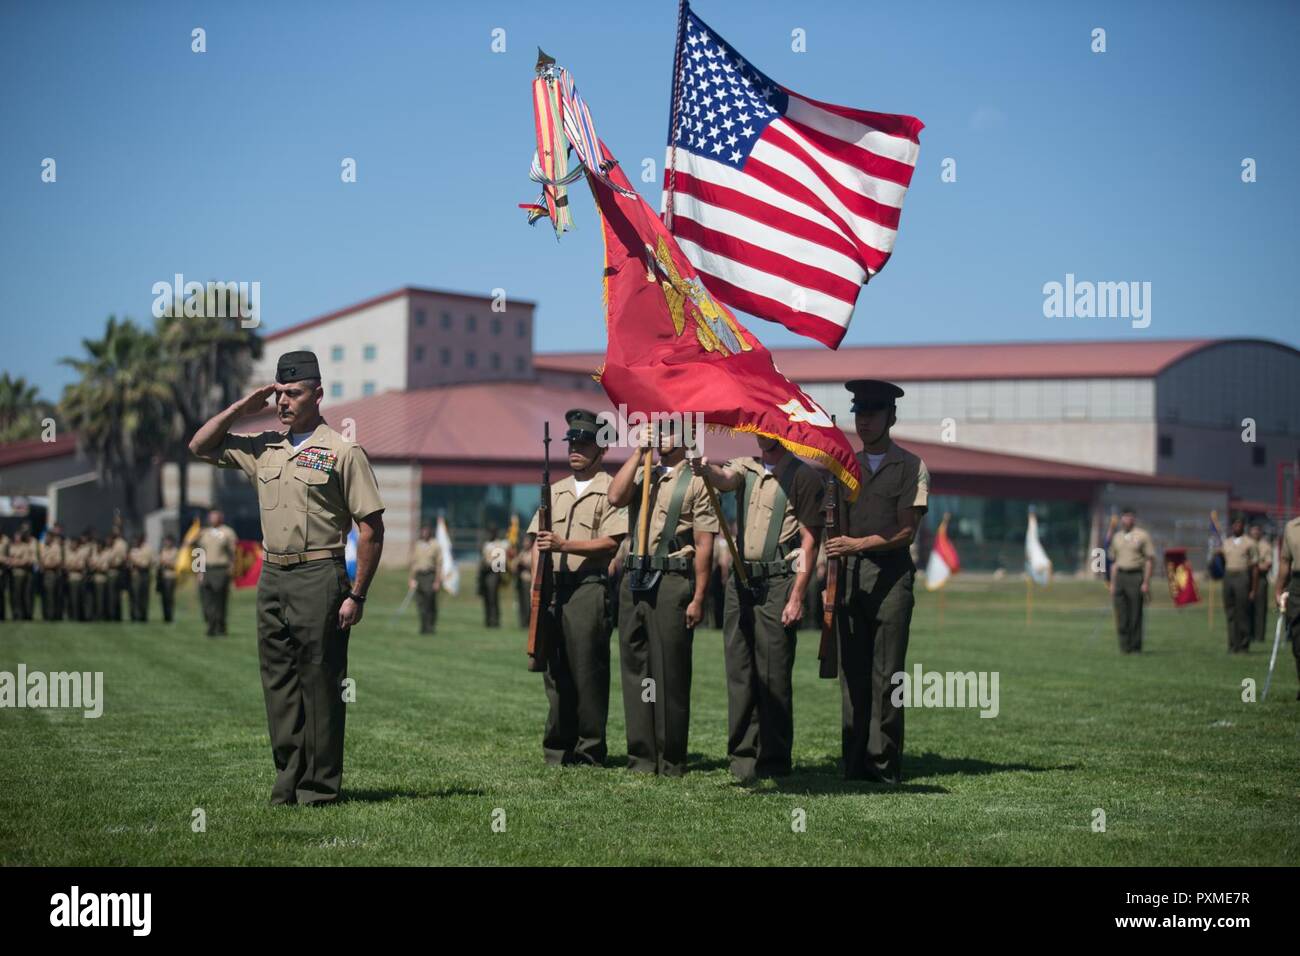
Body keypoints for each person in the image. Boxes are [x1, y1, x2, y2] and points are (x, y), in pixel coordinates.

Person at [190, 350, 385, 805]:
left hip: (321, 573)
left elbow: (371, 528)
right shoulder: (263, 448)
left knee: (320, 683)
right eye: (278, 394)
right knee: (278, 684)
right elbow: (199, 446)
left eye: (293, 393)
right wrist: (244, 406)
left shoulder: (342, 451)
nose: (283, 402)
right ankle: (288, 782)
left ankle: (319, 788)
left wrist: (358, 594)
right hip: (272, 576)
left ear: (317, 395)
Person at [691, 435, 824, 780]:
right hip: (740, 580)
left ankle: (775, 761)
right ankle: (742, 759)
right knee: (739, 669)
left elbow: (811, 540)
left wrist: (797, 596)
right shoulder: (745, 466)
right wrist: (706, 469)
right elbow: (724, 480)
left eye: (769, 427)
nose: (762, 434)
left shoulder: (804, 477)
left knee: (774, 672)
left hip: (779, 579)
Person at [825, 380, 929, 784]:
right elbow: (834, 526)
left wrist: (856, 543)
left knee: (888, 676)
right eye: (859, 413)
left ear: (891, 417)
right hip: (850, 576)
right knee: (853, 675)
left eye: (872, 414)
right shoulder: (843, 466)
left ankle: (883, 763)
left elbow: (906, 532)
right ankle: (853, 764)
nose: (864, 421)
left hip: (891, 577)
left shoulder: (911, 466)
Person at [607, 419, 717, 776]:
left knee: (669, 671)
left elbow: (704, 545)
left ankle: (671, 759)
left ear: (686, 436)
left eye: (669, 431)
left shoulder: (698, 480)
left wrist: (699, 596)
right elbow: (614, 496)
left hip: (671, 580)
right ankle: (641, 756)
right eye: (658, 430)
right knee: (636, 667)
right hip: (634, 578)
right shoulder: (644, 473)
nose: (661, 437)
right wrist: (639, 453)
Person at [527, 408, 628, 766]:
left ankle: (590, 749)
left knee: (589, 670)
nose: (575, 449)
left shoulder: (611, 490)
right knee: (556, 673)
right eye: (572, 441)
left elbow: (610, 544)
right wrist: (535, 588)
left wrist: (563, 546)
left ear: (601, 450)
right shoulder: (554, 491)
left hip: (588, 588)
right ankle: (558, 748)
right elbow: (533, 544)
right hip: (555, 588)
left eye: (584, 443)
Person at [1107, 506, 1154, 654]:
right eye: (1125, 517)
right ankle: (1124, 647)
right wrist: (1112, 584)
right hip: (1120, 576)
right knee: (1121, 614)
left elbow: (1149, 560)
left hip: (1135, 576)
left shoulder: (1142, 536)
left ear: (1134, 519)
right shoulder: (1117, 537)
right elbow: (1113, 562)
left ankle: (1135, 647)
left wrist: (1146, 582)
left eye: (1130, 517)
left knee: (1135, 614)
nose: (1127, 519)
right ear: (1121, 519)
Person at [1216, 515, 1257, 653]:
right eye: (1234, 524)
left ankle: (1244, 645)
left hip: (1242, 576)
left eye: (1239, 524)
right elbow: (1220, 561)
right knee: (1230, 612)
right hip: (1229, 576)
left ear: (1243, 526)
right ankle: (1232, 644)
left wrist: (1253, 588)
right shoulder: (1226, 543)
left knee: (1242, 612)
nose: (1236, 527)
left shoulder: (1249, 543)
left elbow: (1255, 567)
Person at [197, 510, 238, 636]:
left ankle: (220, 626)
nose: (212, 519)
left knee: (219, 600)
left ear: (221, 518)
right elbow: (199, 551)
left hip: (221, 569)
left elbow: (233, 552)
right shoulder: (204, 533)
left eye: (215, 517)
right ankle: (210, 623)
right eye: (211, 517)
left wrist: (232, 568)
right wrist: (198, 570)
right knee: (206, 600)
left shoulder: (227, 532)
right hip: (206, 569)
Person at [1273, 514, 1300, 700]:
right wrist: (1279, 589)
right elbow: (1285, 561)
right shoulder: (1291, 527)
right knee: (1297, 636)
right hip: (1297, 585)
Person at [409, 523, 443, 635]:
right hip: (419, 576)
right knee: (420, 603)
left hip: (430, 576)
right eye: (423, 531)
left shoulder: (435, 545)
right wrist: (412, 579)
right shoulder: (418, 545)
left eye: (426, 531)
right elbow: (414, 563)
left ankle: (430, 626)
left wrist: (437, 581)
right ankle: (423, 626)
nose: (424, 533)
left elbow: (439, 564)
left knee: (429, 602)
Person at [478, 524, 508, 628]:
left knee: (493, 598)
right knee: (486, 597)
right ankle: (488, 620)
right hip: (485, 573)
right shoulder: (486, 544)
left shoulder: (499, 544)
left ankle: (495, 620)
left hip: (494, 573)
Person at [38, 526, 67, 621]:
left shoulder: (56, 546)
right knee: (44, 595)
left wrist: (47, 565)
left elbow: (58, 561)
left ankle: (51, 616)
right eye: (45, 536)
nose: (46, 538)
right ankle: (45, 615)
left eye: (48, 536)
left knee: (51, 595)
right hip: (43, 573)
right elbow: (40, 559)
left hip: (52, 573)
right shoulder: (42, 545)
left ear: (51, 537)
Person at [1250, 524, 1272, 644]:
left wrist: (1255, 568)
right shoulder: (1247, 544)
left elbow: (1268, 564)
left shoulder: (1265, 546)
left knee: (1260, 608)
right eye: (1253, 531)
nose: (1255, 533)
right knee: (1248, 608)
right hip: (1248, 579)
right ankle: (1249, 634)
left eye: (1257, 531)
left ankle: (1259, 636)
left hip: (1261, 579)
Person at [7, 525, 36, 620]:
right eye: (16, 536)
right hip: (11, 573)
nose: (17, 538)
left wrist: (14, 562)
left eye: (19, 536)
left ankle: (21, 614)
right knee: (13, 595)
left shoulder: (25, 547)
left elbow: (26, 560)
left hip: (20, 573)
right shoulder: (10, 546)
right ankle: (15, 614)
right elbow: (7, 558)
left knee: (21, 594)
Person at [64, 531, 90, 621]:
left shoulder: (81, 553)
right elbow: (67, 565)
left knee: (79, 599)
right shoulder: (68, 552)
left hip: (79, 578)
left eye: (75, 543)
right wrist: (73, 566)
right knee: (71, 599)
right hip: (71, 578)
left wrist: (72, 566)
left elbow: (81, 566)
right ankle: (72, 616)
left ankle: (79, 616)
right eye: (72, 543)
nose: (73, 545)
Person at [128, 533, 154, 622]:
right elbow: (130, 562)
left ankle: (143, 616)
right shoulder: (134, 549)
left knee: (144, 596)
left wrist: (138, 563)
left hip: (144, 573)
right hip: (135, 575)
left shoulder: (148, 549)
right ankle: (135, 616)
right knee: (135, 595)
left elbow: (148, 563)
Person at [157, 534, 179, 623]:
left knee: (169, 598)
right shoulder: (162, 551)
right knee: (164, 598)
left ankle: (170, 617)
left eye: (168, 541)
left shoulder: (175, 551)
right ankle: (165, 616)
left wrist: (167, 563)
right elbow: (158, 562)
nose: (166, 543)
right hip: (162, 577)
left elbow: (177, 564)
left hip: (171, 576)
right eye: (165, 541)